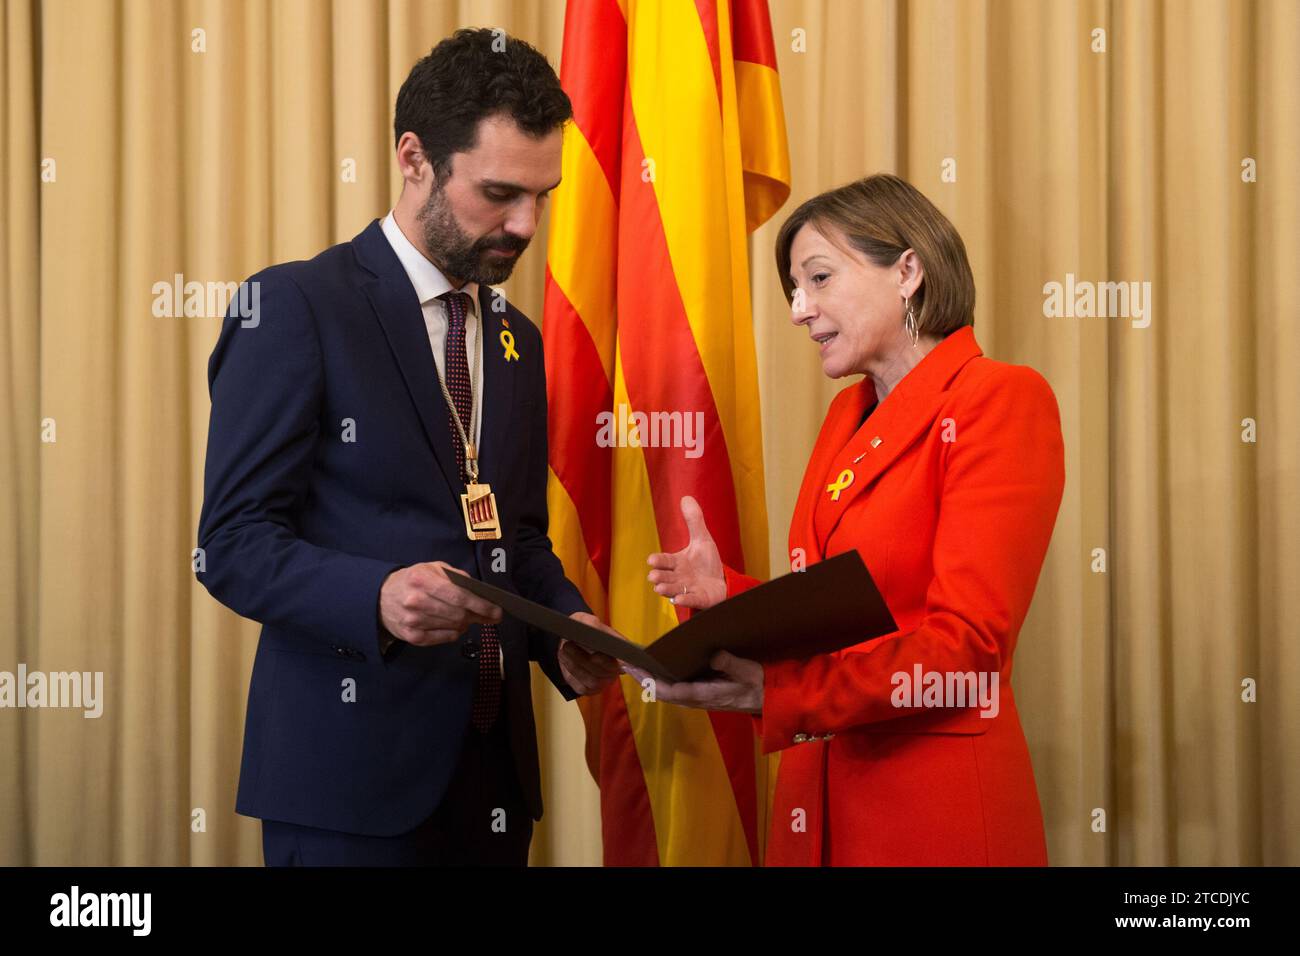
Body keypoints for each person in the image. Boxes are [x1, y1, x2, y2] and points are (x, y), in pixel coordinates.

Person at [196, 29, 619, 867]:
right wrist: (378, 596)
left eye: (543, 195)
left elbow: (515, 535)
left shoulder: (516, 340)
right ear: (414, 157)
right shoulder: (292, 306)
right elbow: (232, 547)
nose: (525, 224)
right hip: (348, 784)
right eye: (500, 192)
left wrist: (565, 626)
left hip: (495, 782)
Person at [628, 174, 1065, 866]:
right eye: (794, 290)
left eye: (820, 278)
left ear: (908, 272)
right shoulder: (846, 414)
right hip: (817, 807)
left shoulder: (999, 399)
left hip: (929, 816)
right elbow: (841, 613)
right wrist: (729, 598)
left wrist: (781, 693)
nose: (800, 309)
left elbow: (966, 646)